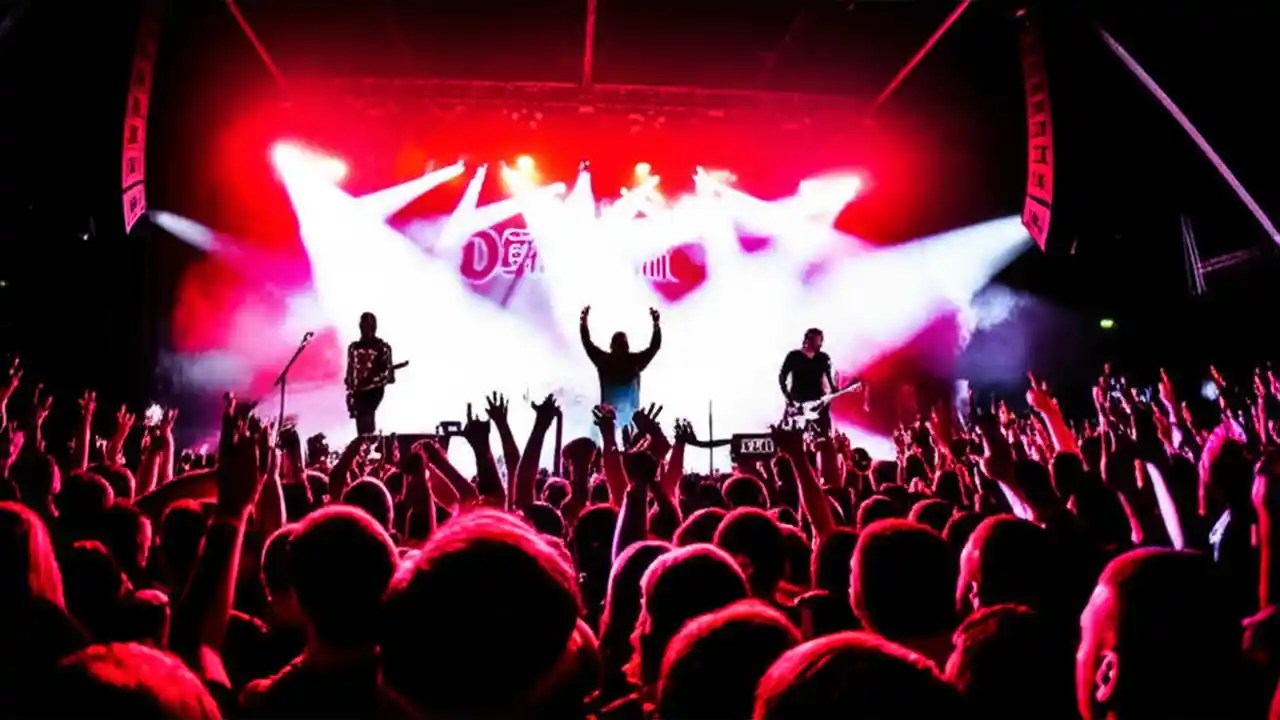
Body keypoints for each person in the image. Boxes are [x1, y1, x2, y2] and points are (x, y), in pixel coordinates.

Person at [580, 306, 661, 430]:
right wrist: (656, 325)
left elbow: (587, 343)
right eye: (620, 342)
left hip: (616, 420)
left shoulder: (609, 361)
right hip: (616, 419)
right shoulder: (630, 361)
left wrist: (583, 323)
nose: (621, 345)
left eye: (622, 342)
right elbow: (654, 347)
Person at [344, 312, 395, 436]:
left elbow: (389, 377)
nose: (365, 328)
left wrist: (373, 380)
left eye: (369, 325)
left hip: (373, 392)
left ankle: (368, 446)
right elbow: (350, 374)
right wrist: (351, 390)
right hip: (357, 394)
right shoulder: (353, 348)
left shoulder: (382, 348)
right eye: (363, 324)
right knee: (362, 427)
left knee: (366, 420)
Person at [778, 328, 836, 434]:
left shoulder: (823, 358)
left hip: (818, 407)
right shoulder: (793, 356)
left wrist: (831, 395)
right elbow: (782, 377)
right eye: (816, 341)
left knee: (823, 439)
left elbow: (829, 382)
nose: (819, 344)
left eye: (820, 341)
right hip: (797, 405)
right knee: (793, 439)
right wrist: (788, 398)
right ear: (807, 341)